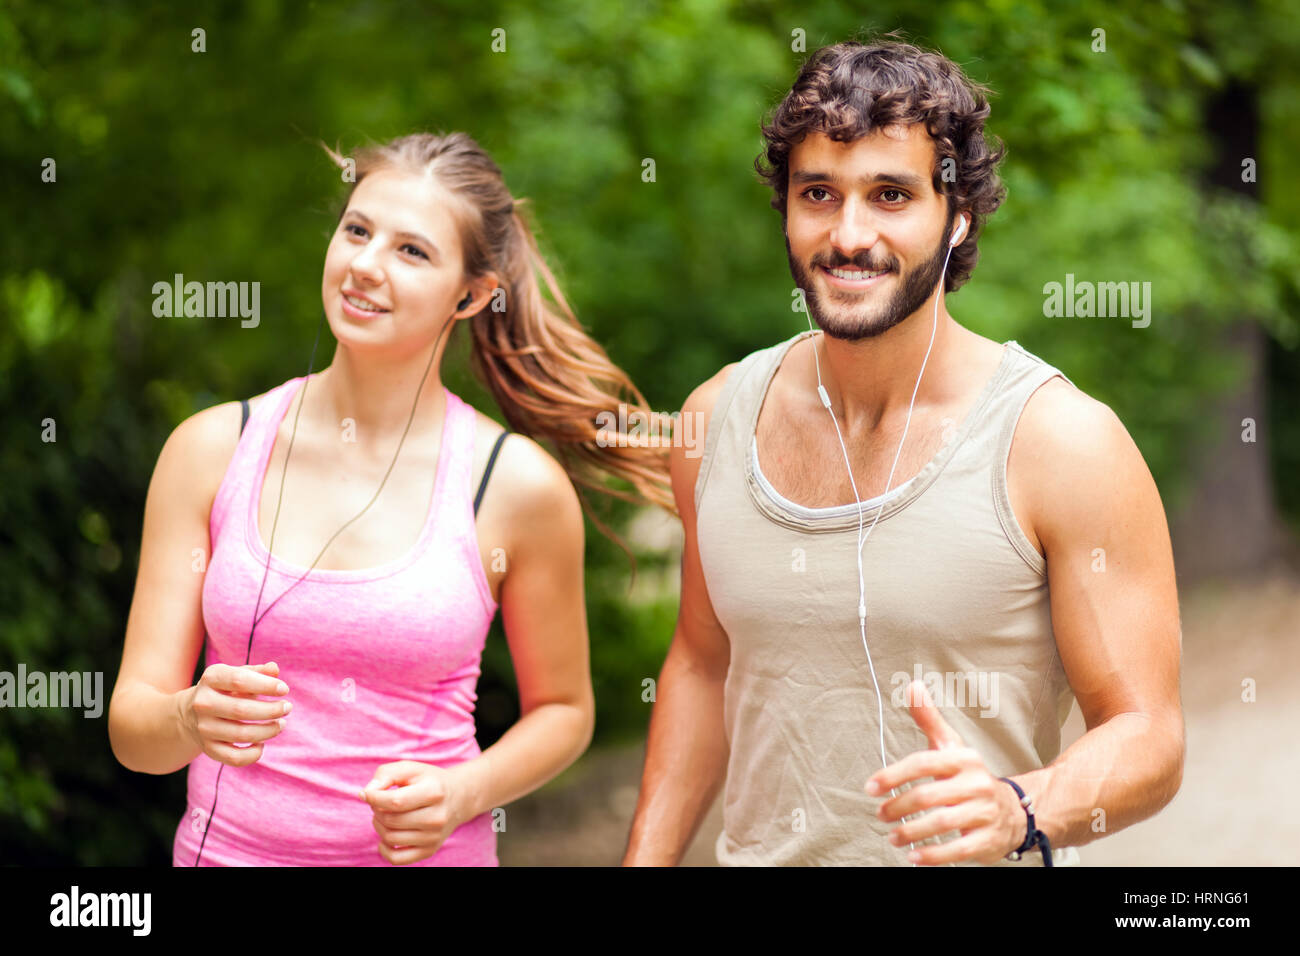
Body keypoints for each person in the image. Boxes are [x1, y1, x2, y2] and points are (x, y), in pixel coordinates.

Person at [623, 38, 1184, 866]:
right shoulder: (714, 422)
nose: (849, 235)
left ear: (957, 217)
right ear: (785, 207)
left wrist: (1018, 806)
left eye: (890, 195)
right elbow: (703, 668)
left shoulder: (1060, 441)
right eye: (819, 193)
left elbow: (1148, 732)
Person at [108, 131, 674, 866]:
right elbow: (133, 731)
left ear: (471, 295)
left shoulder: (512, 485)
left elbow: (564, 712)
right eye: (357, 231)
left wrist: (465, 793)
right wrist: (188, 716)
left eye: (412, 252)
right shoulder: (211, 450)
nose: (365, 267)